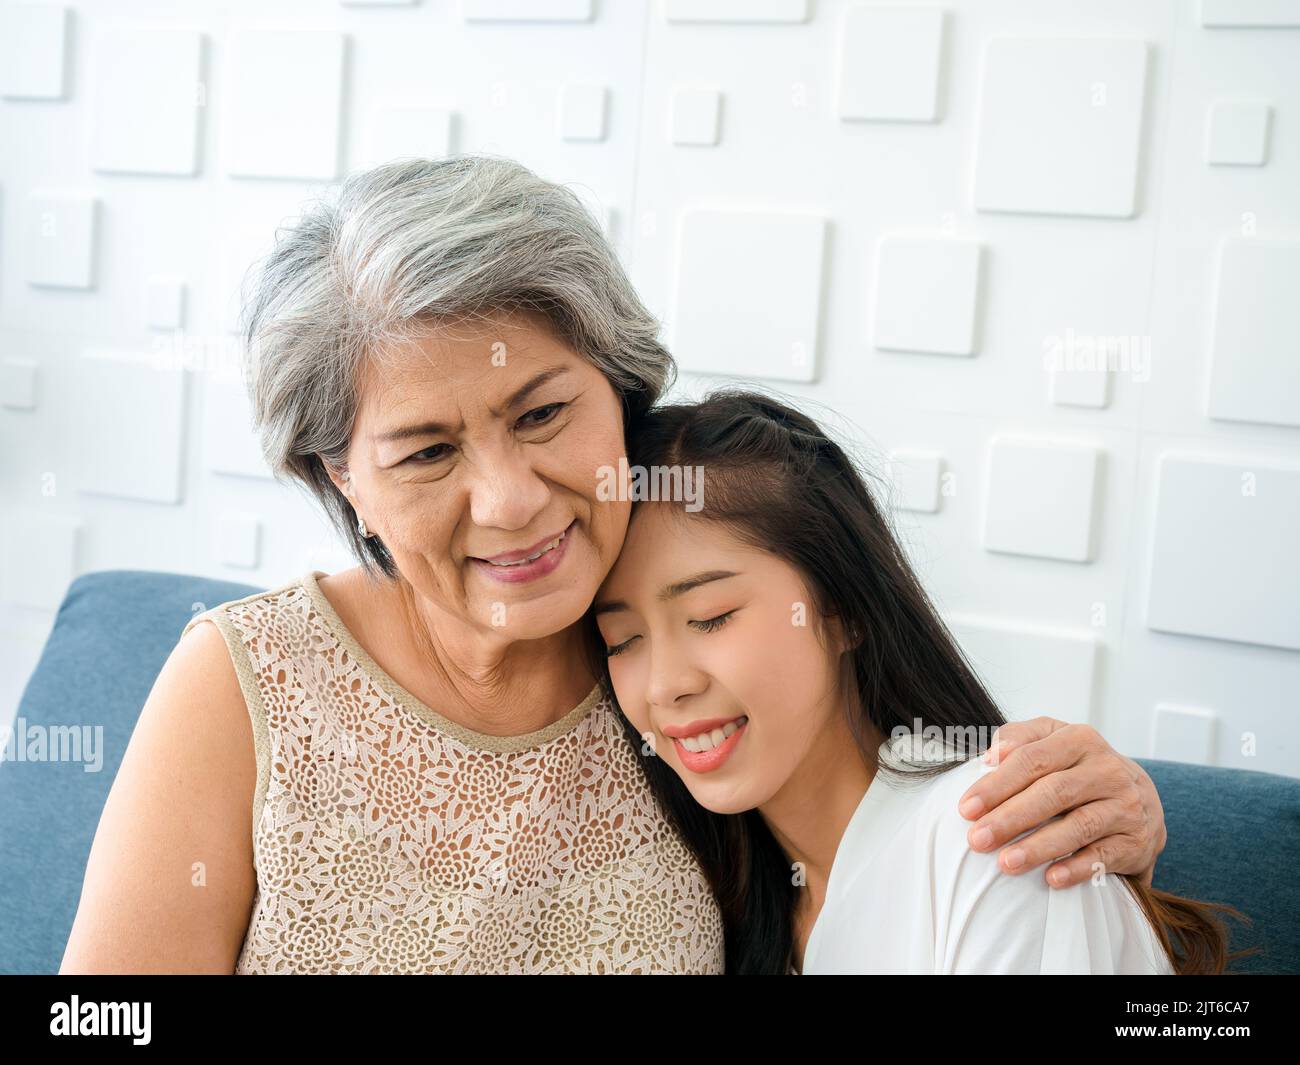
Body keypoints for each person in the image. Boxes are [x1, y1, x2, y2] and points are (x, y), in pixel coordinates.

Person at [61, 155, 1169, 974]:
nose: (509, 501)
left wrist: (1110, 818)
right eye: (427, 451)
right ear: (340, 478)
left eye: (542, 413)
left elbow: (903, 843)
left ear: (620, 392)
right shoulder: (246, 679)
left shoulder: (688, 708)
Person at [593, 390, 1241, 974]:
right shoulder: (718, 908)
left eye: (711, 617)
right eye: (623, 640)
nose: (664, 686)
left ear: (844, 607)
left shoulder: (994, 839)